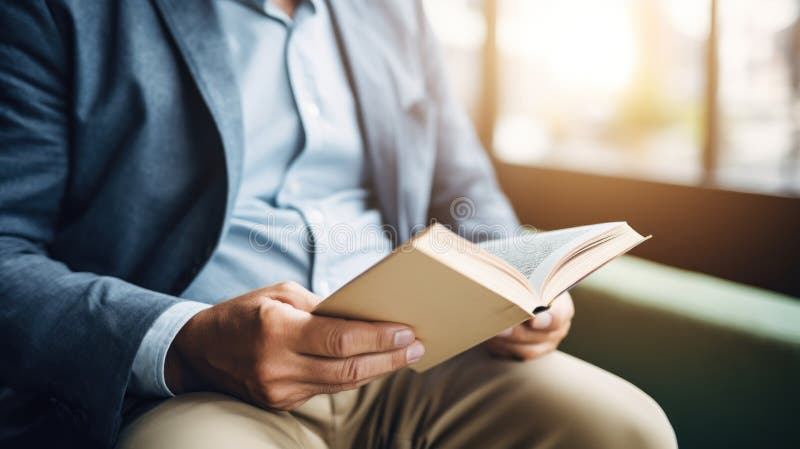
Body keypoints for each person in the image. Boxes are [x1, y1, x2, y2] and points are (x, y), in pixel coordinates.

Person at [0, 1, 677, 448]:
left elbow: (463, 192)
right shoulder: (55, 13)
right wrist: (186, 339)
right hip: (201, 385)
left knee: (626, 429)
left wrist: (516, 281)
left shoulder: (393, 12)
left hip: (418, 358)